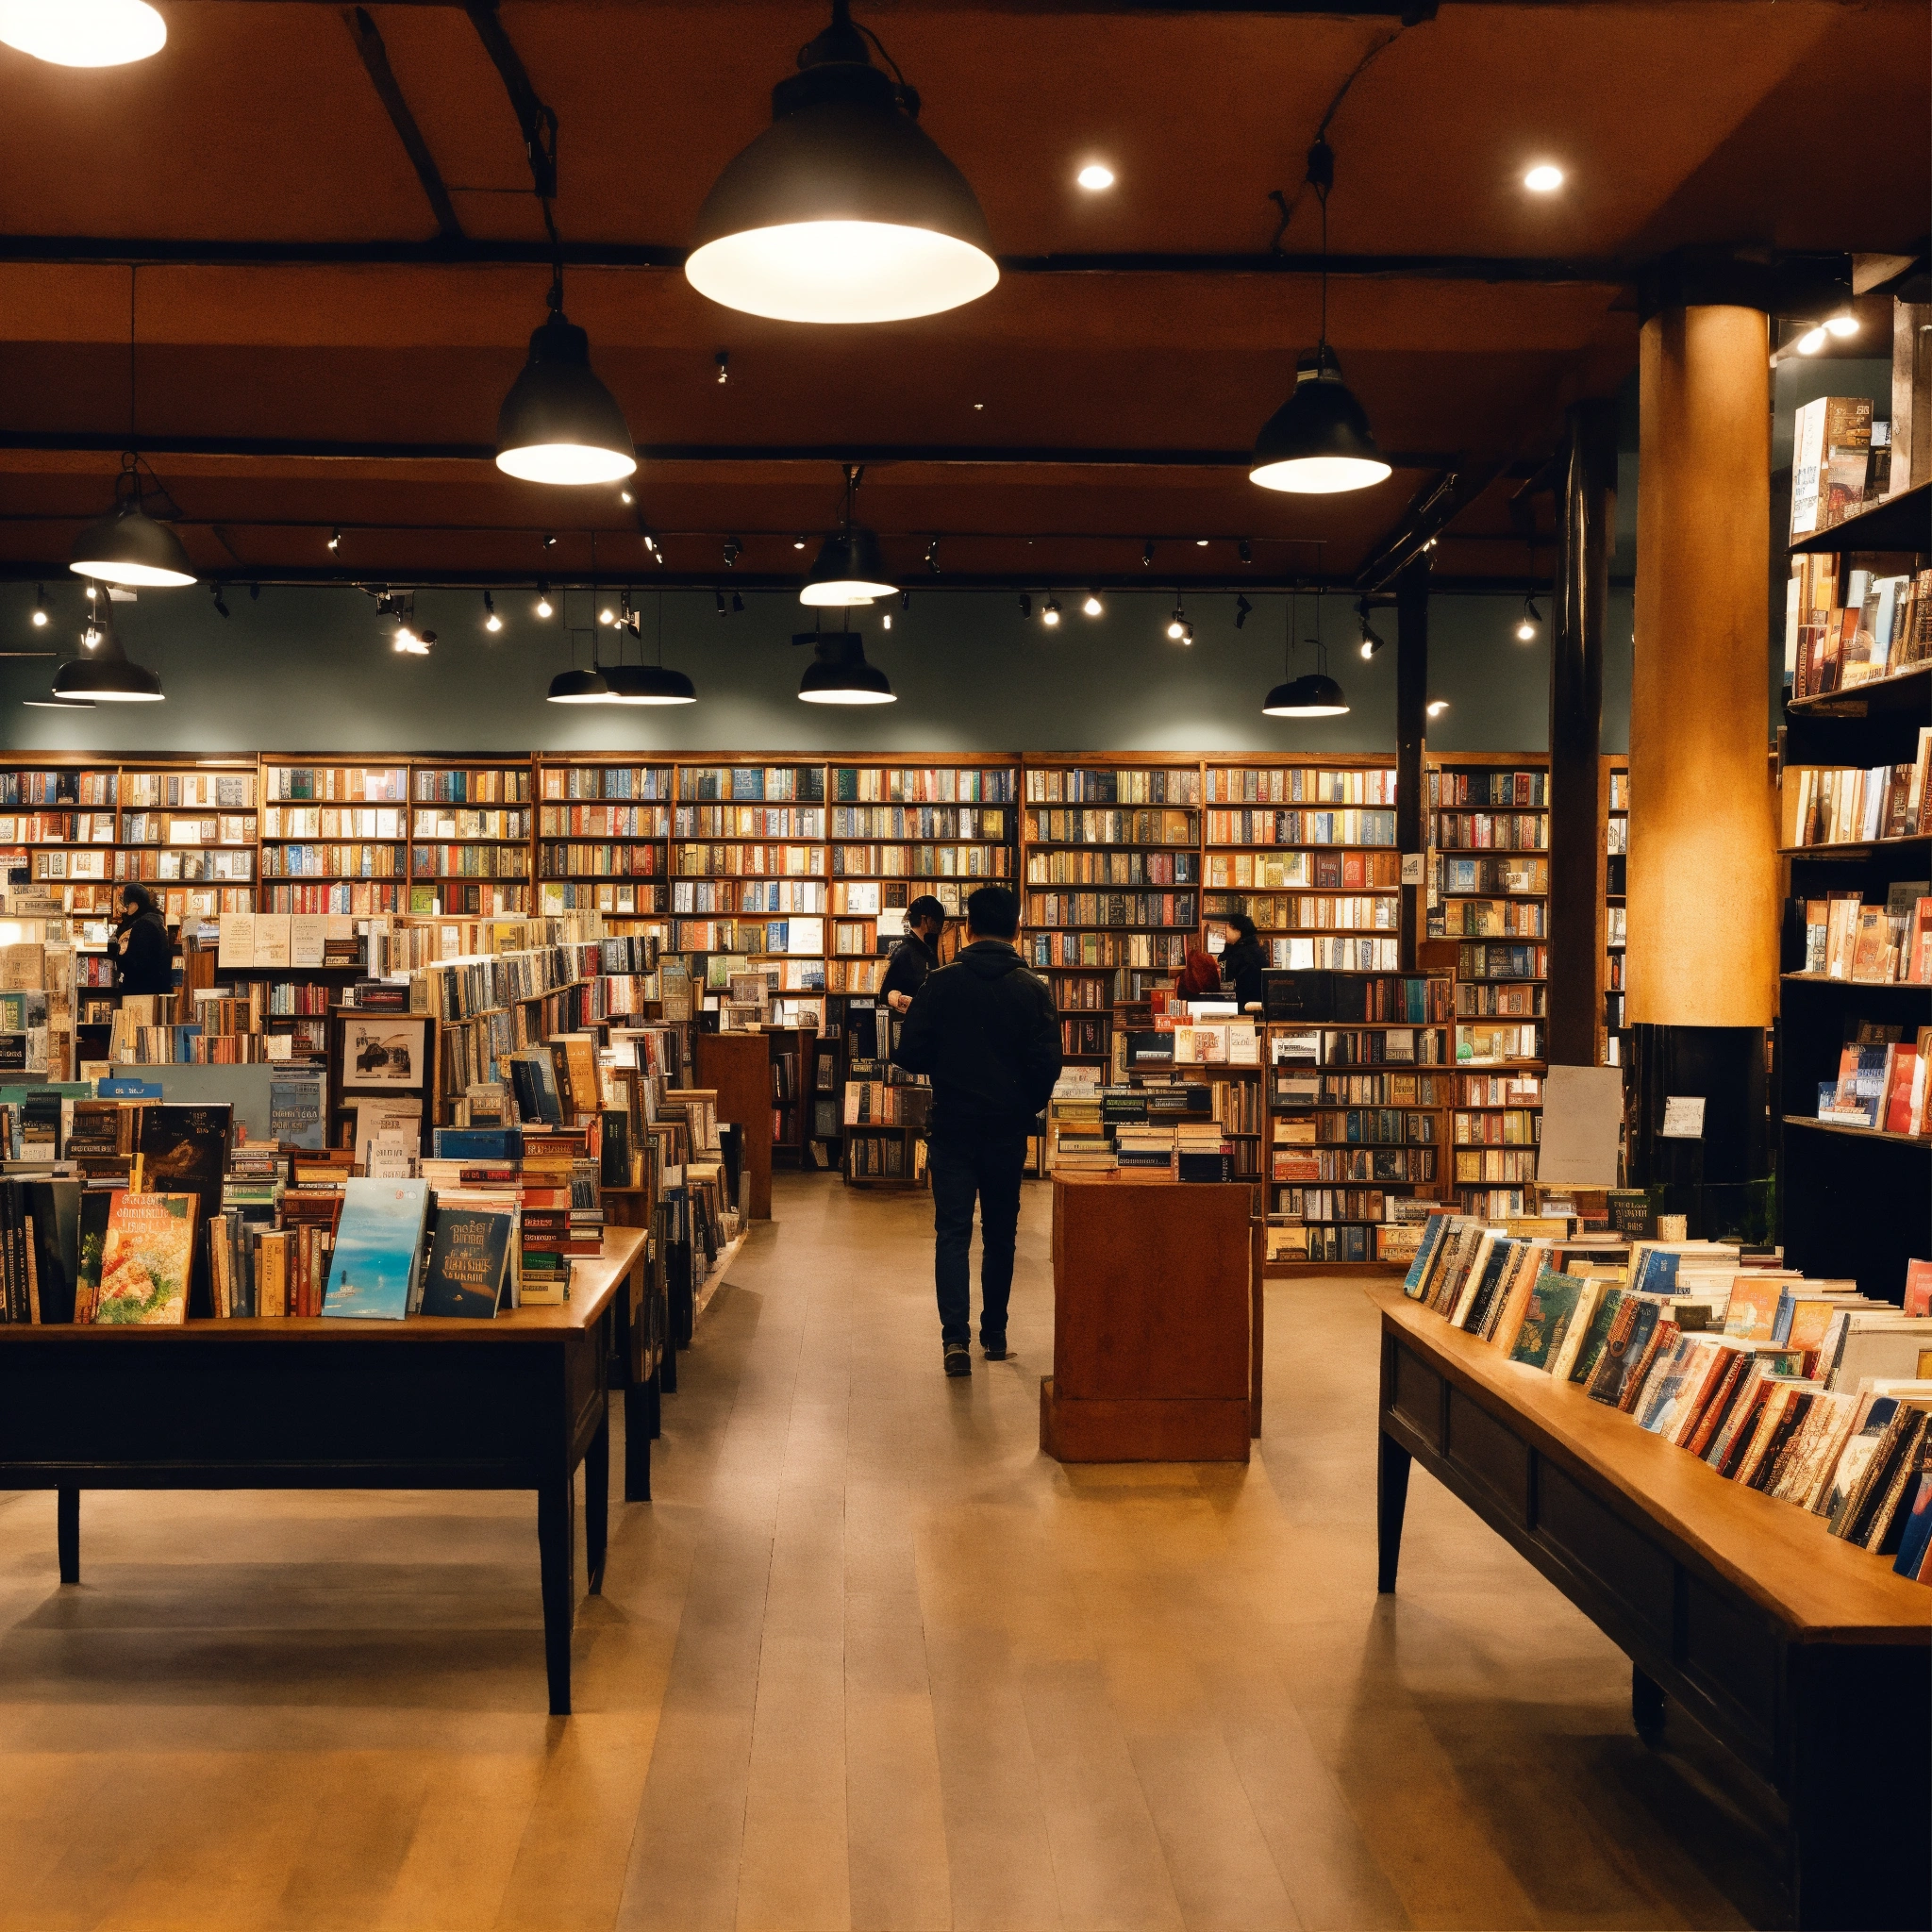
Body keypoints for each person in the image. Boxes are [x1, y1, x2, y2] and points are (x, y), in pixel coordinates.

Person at [892, 884, 1061, 1377]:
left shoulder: (941, 984)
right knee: (1002, 1234)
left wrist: (948, 1068)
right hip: (1008, 1129)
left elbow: (910, 1053)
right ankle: (996, 1333)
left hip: (952, 1124)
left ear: (966, 928)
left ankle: (954, 1341)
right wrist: (1024, 1104)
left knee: (952, 1232)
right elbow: (1048, 1062)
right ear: (1016, 928)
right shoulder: (1033, 988)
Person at [882, 893, 945, 1015]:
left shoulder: (929, 947)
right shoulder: (905, 950)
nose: (940, 926)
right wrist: (898, 998)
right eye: (937, 920)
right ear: (925, 920)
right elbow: (885, 993)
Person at [113, 883, 174, 996]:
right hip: (155, 987)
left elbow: (137, 963)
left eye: (126, 905)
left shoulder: (143, 926)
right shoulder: (156, 920)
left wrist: (118, 955)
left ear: (134, 905)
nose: (124, 910)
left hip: (142, 990)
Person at [1219, 913, 1267, 1011]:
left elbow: (1229, 975)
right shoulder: (1253, 948)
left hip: (1243, 1005)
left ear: (1238, 930)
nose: (1224, 934)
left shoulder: (1243, 953)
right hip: (1250, 1002)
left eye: (1227, 930)